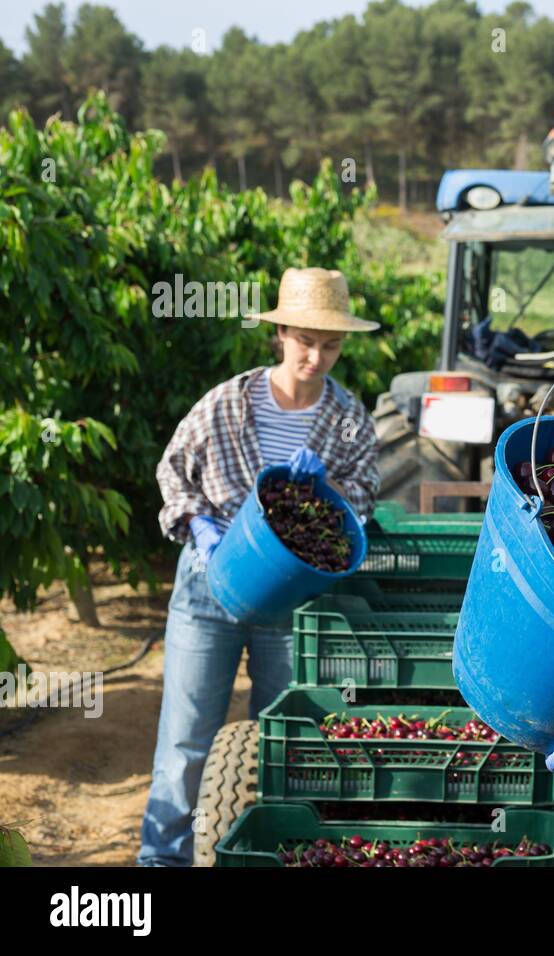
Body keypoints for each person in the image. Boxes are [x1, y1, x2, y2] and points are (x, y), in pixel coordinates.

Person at [137, 267, 381, 866]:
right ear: (280, 334)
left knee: (280, 739)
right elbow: (175, 471)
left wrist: (335, 491)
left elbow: (363, 498)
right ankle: (160, 862)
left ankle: (262, 854)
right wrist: (201, 529)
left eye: (330, 345)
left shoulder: (348, 421)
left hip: (291, 596)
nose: (316, 356)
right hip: (209, 586)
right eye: (305, 340)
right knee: (185, 743)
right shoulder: (226, 403)